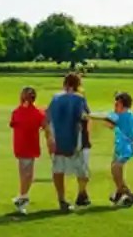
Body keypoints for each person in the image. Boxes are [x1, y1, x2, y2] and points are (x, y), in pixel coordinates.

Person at [90, 91, 133, 207]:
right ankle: (119, 193)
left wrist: (88, 115)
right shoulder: (130, 115)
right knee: (115, 171)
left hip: (126, 148)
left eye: (116, 105)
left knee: (116, 169)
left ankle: (128, 193)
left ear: (121, 104)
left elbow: (105, 117)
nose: (114, 107)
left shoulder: (121, 116)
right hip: (119, 147)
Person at [45, 72, 92, 212]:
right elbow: (86, 117)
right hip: (78, 140)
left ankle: (62, 199)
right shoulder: (80, 99)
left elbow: (47, 118)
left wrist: (49, 137)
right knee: (82, 170)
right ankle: (82, 193)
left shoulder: (55, 98)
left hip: (58, 139)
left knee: (58, 170)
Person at [9, 86, 50, 214]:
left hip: (20, 145)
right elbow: (45, 127)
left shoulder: (16, 112)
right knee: (28, 173)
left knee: (24, 173)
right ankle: (23, 196)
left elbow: (13, 124)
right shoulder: (38, 113)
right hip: (31, 145)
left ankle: (22, 197)